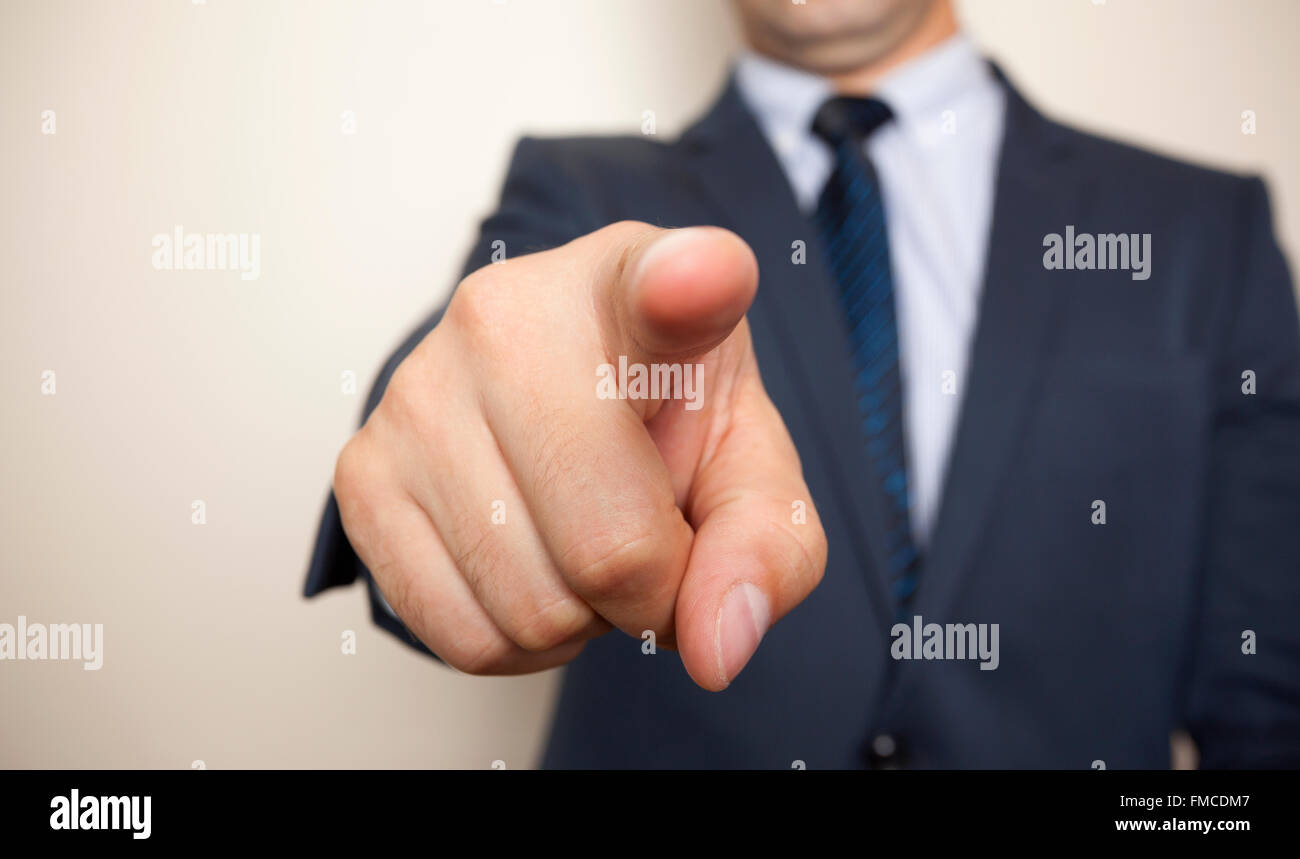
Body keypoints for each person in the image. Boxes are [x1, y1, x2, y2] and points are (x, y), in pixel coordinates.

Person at [305, 0, 1300, 768]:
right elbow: (439, 427)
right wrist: (424, 467)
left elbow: (1266, 705)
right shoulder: (581, 193)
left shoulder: (1203, 229)